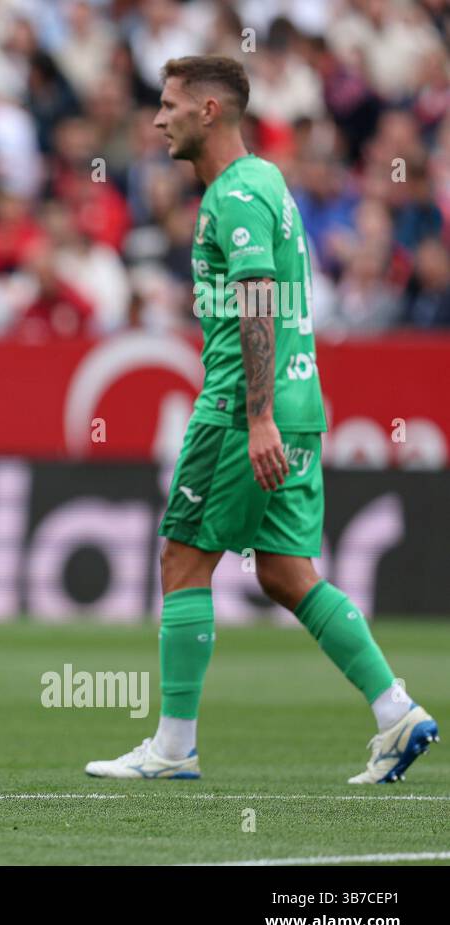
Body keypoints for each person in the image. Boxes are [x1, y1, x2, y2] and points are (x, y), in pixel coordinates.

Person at [86, 56, 437, 784]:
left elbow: (256, 304)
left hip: (242, 409)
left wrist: (255, 419)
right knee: (283, 572)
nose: (158, 119)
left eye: (170, 104)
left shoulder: (233, 197)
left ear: (209, 111)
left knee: (182, 558)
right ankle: (395, 710)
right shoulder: (268, 182)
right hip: (301, 405)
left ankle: (174, 749)